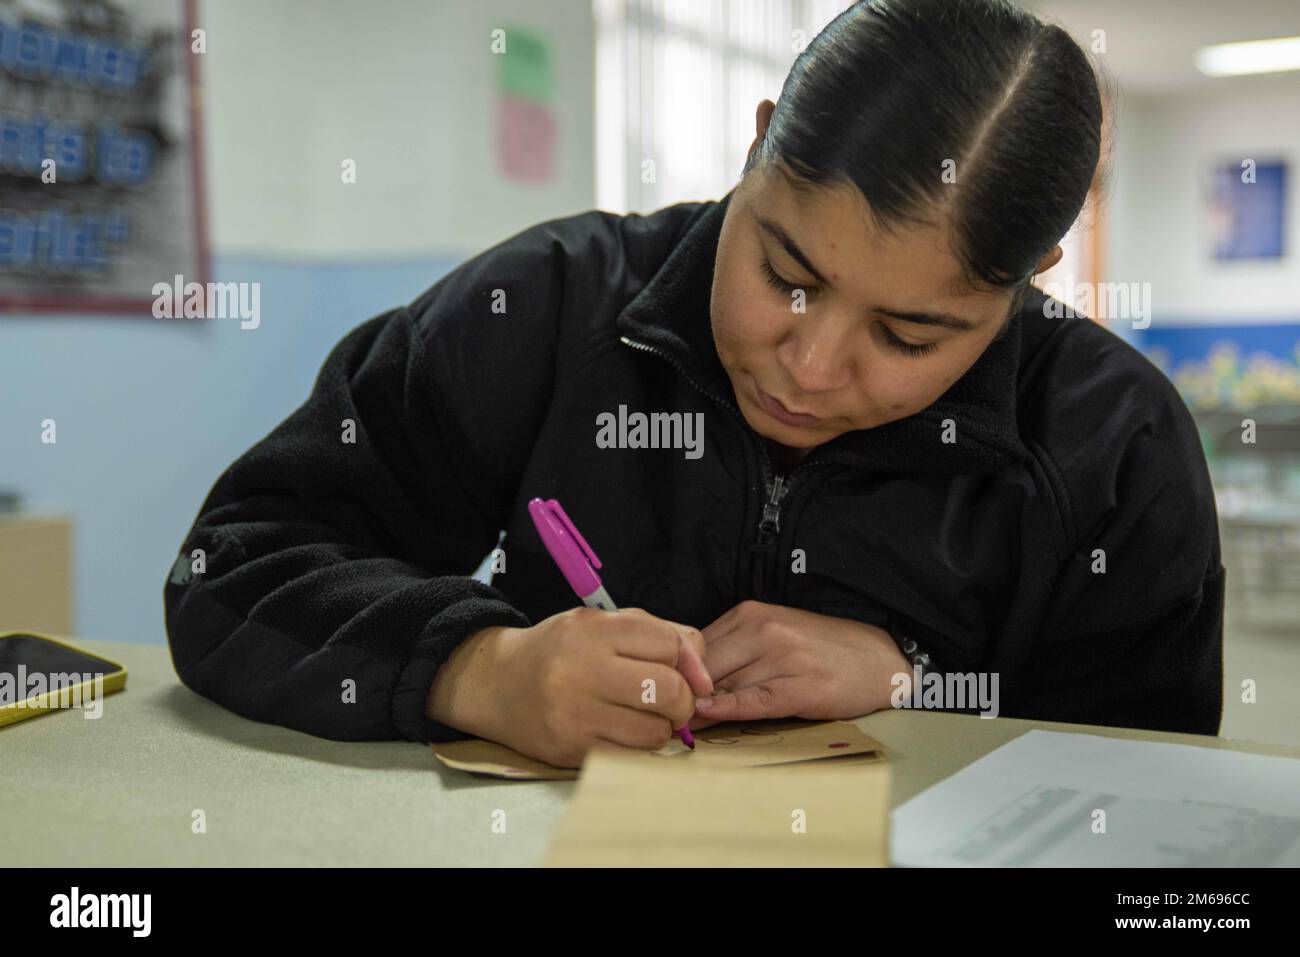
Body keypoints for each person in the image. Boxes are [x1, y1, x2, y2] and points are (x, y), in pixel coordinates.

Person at [164, 0, 1223, 769]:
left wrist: (922, 685)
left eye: (907, 338)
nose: (807, 369)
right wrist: (480, 669)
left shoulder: (1111, 440)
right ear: (757, 144)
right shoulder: (547, 306)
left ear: (1025, 285)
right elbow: (233, 566)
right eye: (785, 277)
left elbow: (1152, 792)